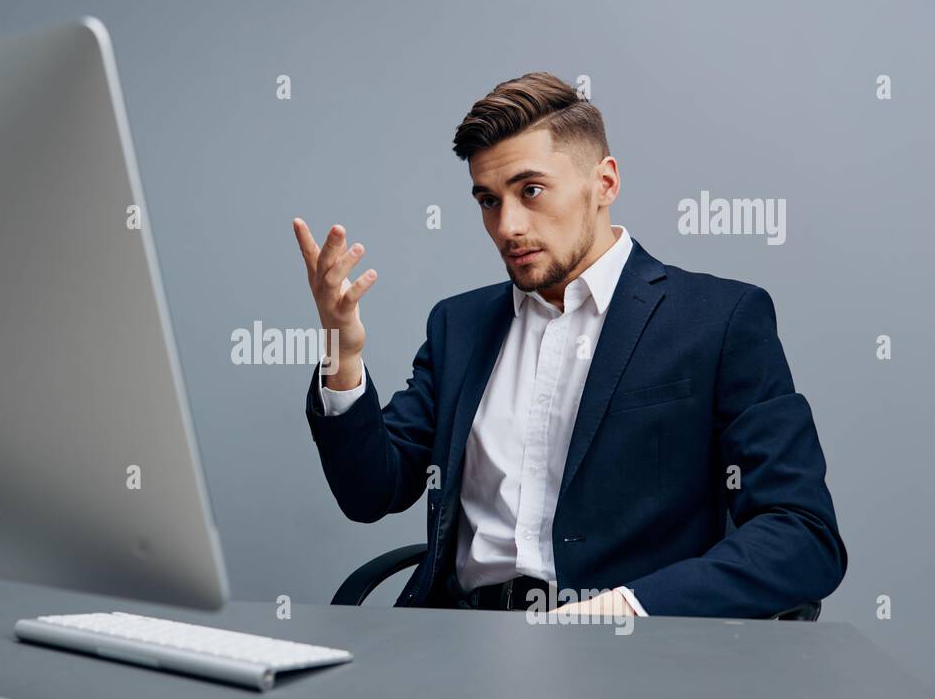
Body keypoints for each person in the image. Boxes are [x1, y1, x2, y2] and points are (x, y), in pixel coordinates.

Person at [294, 72, 846, 617]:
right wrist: (342, 355)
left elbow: (801, 534)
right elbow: (372, 493)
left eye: (530, 191)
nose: (507, 226)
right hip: (458, 643)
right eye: (488, 200)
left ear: (604, 183)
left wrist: (626, 609)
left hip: (628, 656)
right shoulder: (458, 325)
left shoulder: (720, 320)